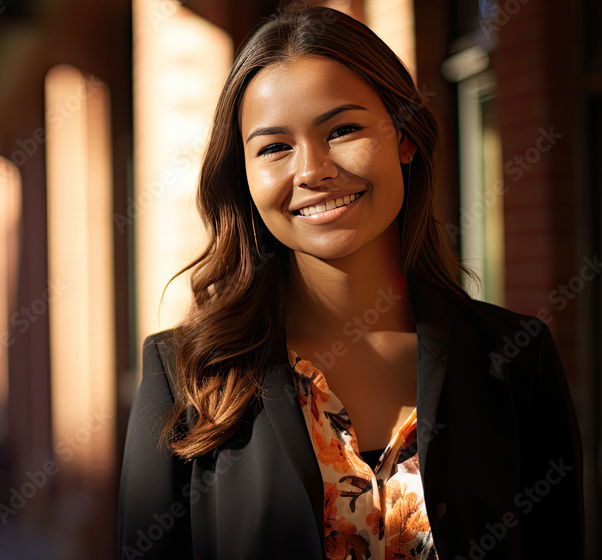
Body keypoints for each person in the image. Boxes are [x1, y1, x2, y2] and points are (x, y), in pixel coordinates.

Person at [117, 3, 584, 559]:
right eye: (274, 147)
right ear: (243, 177)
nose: (312, 170)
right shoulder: (187, 377)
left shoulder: (515, 360)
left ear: (405, 138)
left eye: (343, 129)